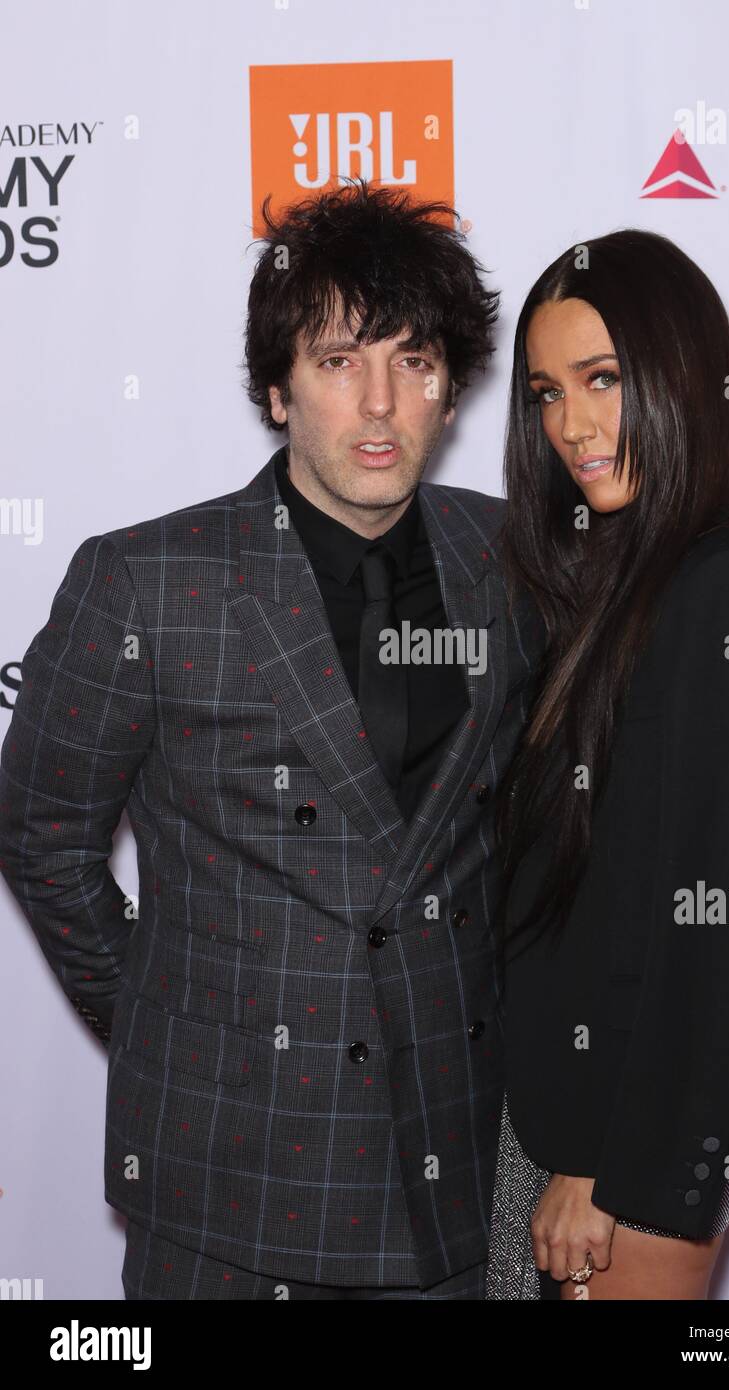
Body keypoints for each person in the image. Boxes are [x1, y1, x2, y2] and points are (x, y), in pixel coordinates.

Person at [0, 178, 544, 1300]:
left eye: (413, 362)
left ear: (451, 390)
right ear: (275, 387)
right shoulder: (149, 581)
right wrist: (173, 1014)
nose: (380, 405)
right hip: (229, 1184)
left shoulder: (510, 561)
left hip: (453, 1168)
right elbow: (41, 833)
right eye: (340, 362)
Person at [484, 229, 729, 1301]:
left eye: (602, 380)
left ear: (680, 373)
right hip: (558, 1120)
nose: (571, 426)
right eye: (545, 392)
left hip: (625, 1152)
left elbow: (716, 919)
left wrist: (605, 1166)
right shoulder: (616, 580)